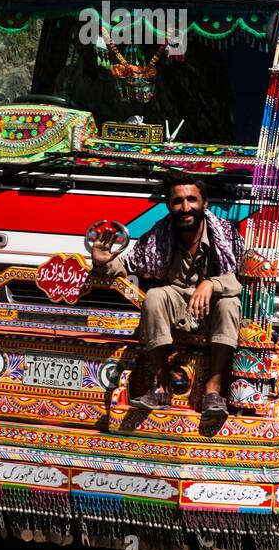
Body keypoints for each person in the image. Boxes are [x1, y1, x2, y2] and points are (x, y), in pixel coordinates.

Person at [90, 176, 242, 420]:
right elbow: (127, 265)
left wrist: (210, 284)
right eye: (177, 201)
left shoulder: (225, 234)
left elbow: (237, 280)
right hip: (177, 306)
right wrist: (101, 262)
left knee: (229, 303)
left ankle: (213, 389)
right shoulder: (159, 234)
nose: (185, 208)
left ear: (205, 204)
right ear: (169, 205)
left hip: (211, 309)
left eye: (192, 200)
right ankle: (162, 386)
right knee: (154, 295)